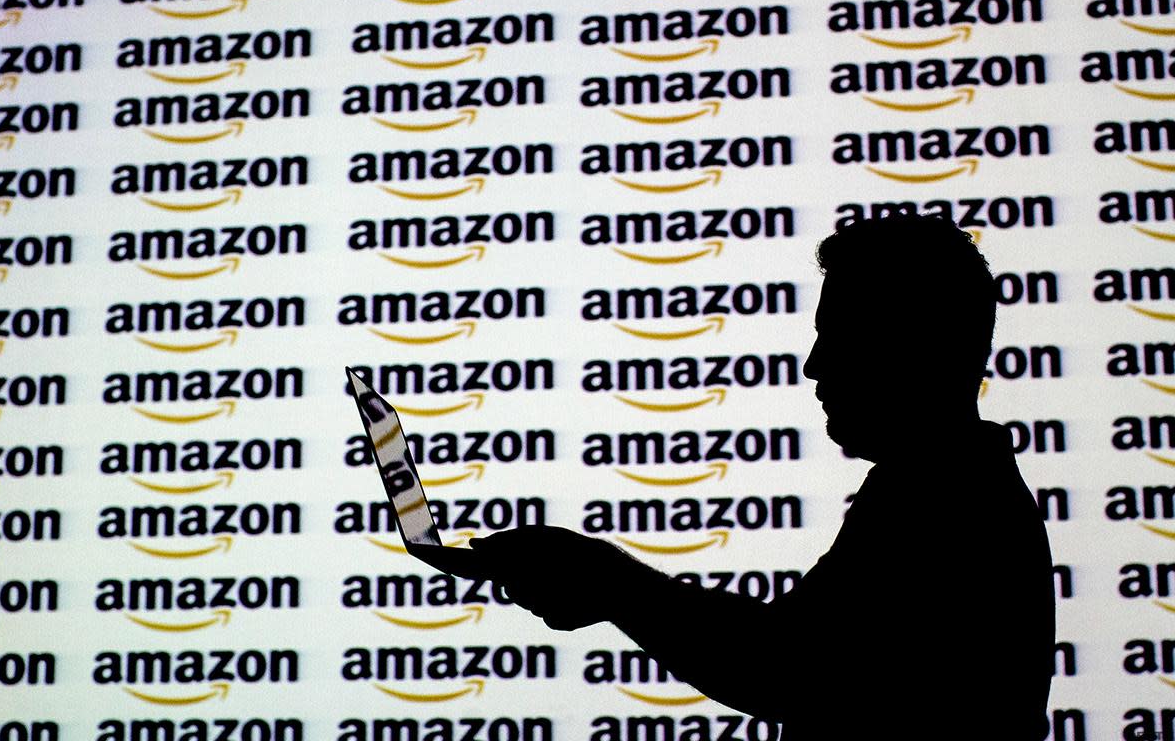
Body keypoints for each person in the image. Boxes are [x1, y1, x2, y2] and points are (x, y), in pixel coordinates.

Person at [418, 215, 1055, 741]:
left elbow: (786, 668)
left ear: (910, 347)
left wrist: (606, 580)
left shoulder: (947, 501)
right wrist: (604, 582)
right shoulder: (945, 486)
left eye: (838, 338)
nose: (813, 366)